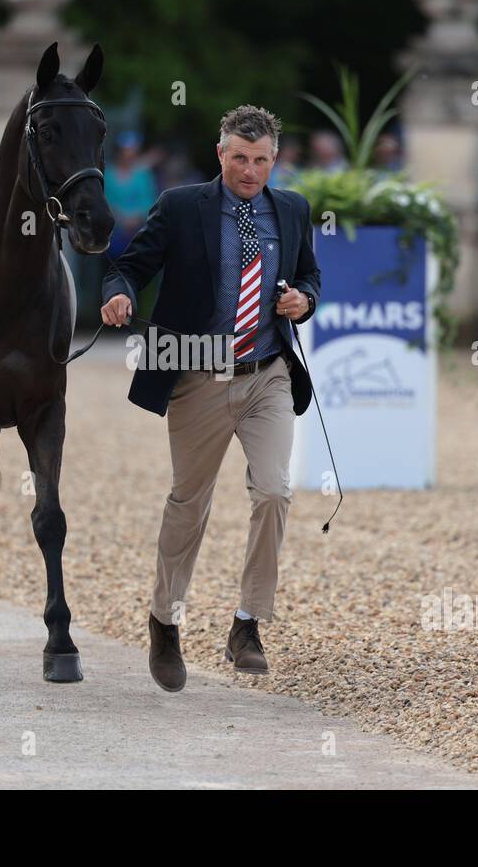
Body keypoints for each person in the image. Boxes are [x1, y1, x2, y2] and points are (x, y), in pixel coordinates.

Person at [100, 104, 321, 692]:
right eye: (239, 158)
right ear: (220, 155)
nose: (250, 170)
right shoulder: (180, 207)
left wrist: (303, 299)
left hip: (268, 372)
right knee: (189, 502)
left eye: (261, 160)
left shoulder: (293, 210)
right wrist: (119, 294)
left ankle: (248, 623)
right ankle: (165, 620)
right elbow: (131, 264)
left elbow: (309, 278)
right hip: (197, 373)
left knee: (274, 490)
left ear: (275, 160)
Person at [103, 130, 156, 258]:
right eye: (126, 150)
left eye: (132, 149)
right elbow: (105, 201)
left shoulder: (143, 175)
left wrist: (135, 218)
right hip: (113, 235)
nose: (128, 154)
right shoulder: (108, 174)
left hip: (138, 234)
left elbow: (150, 202)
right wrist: (120, 218)